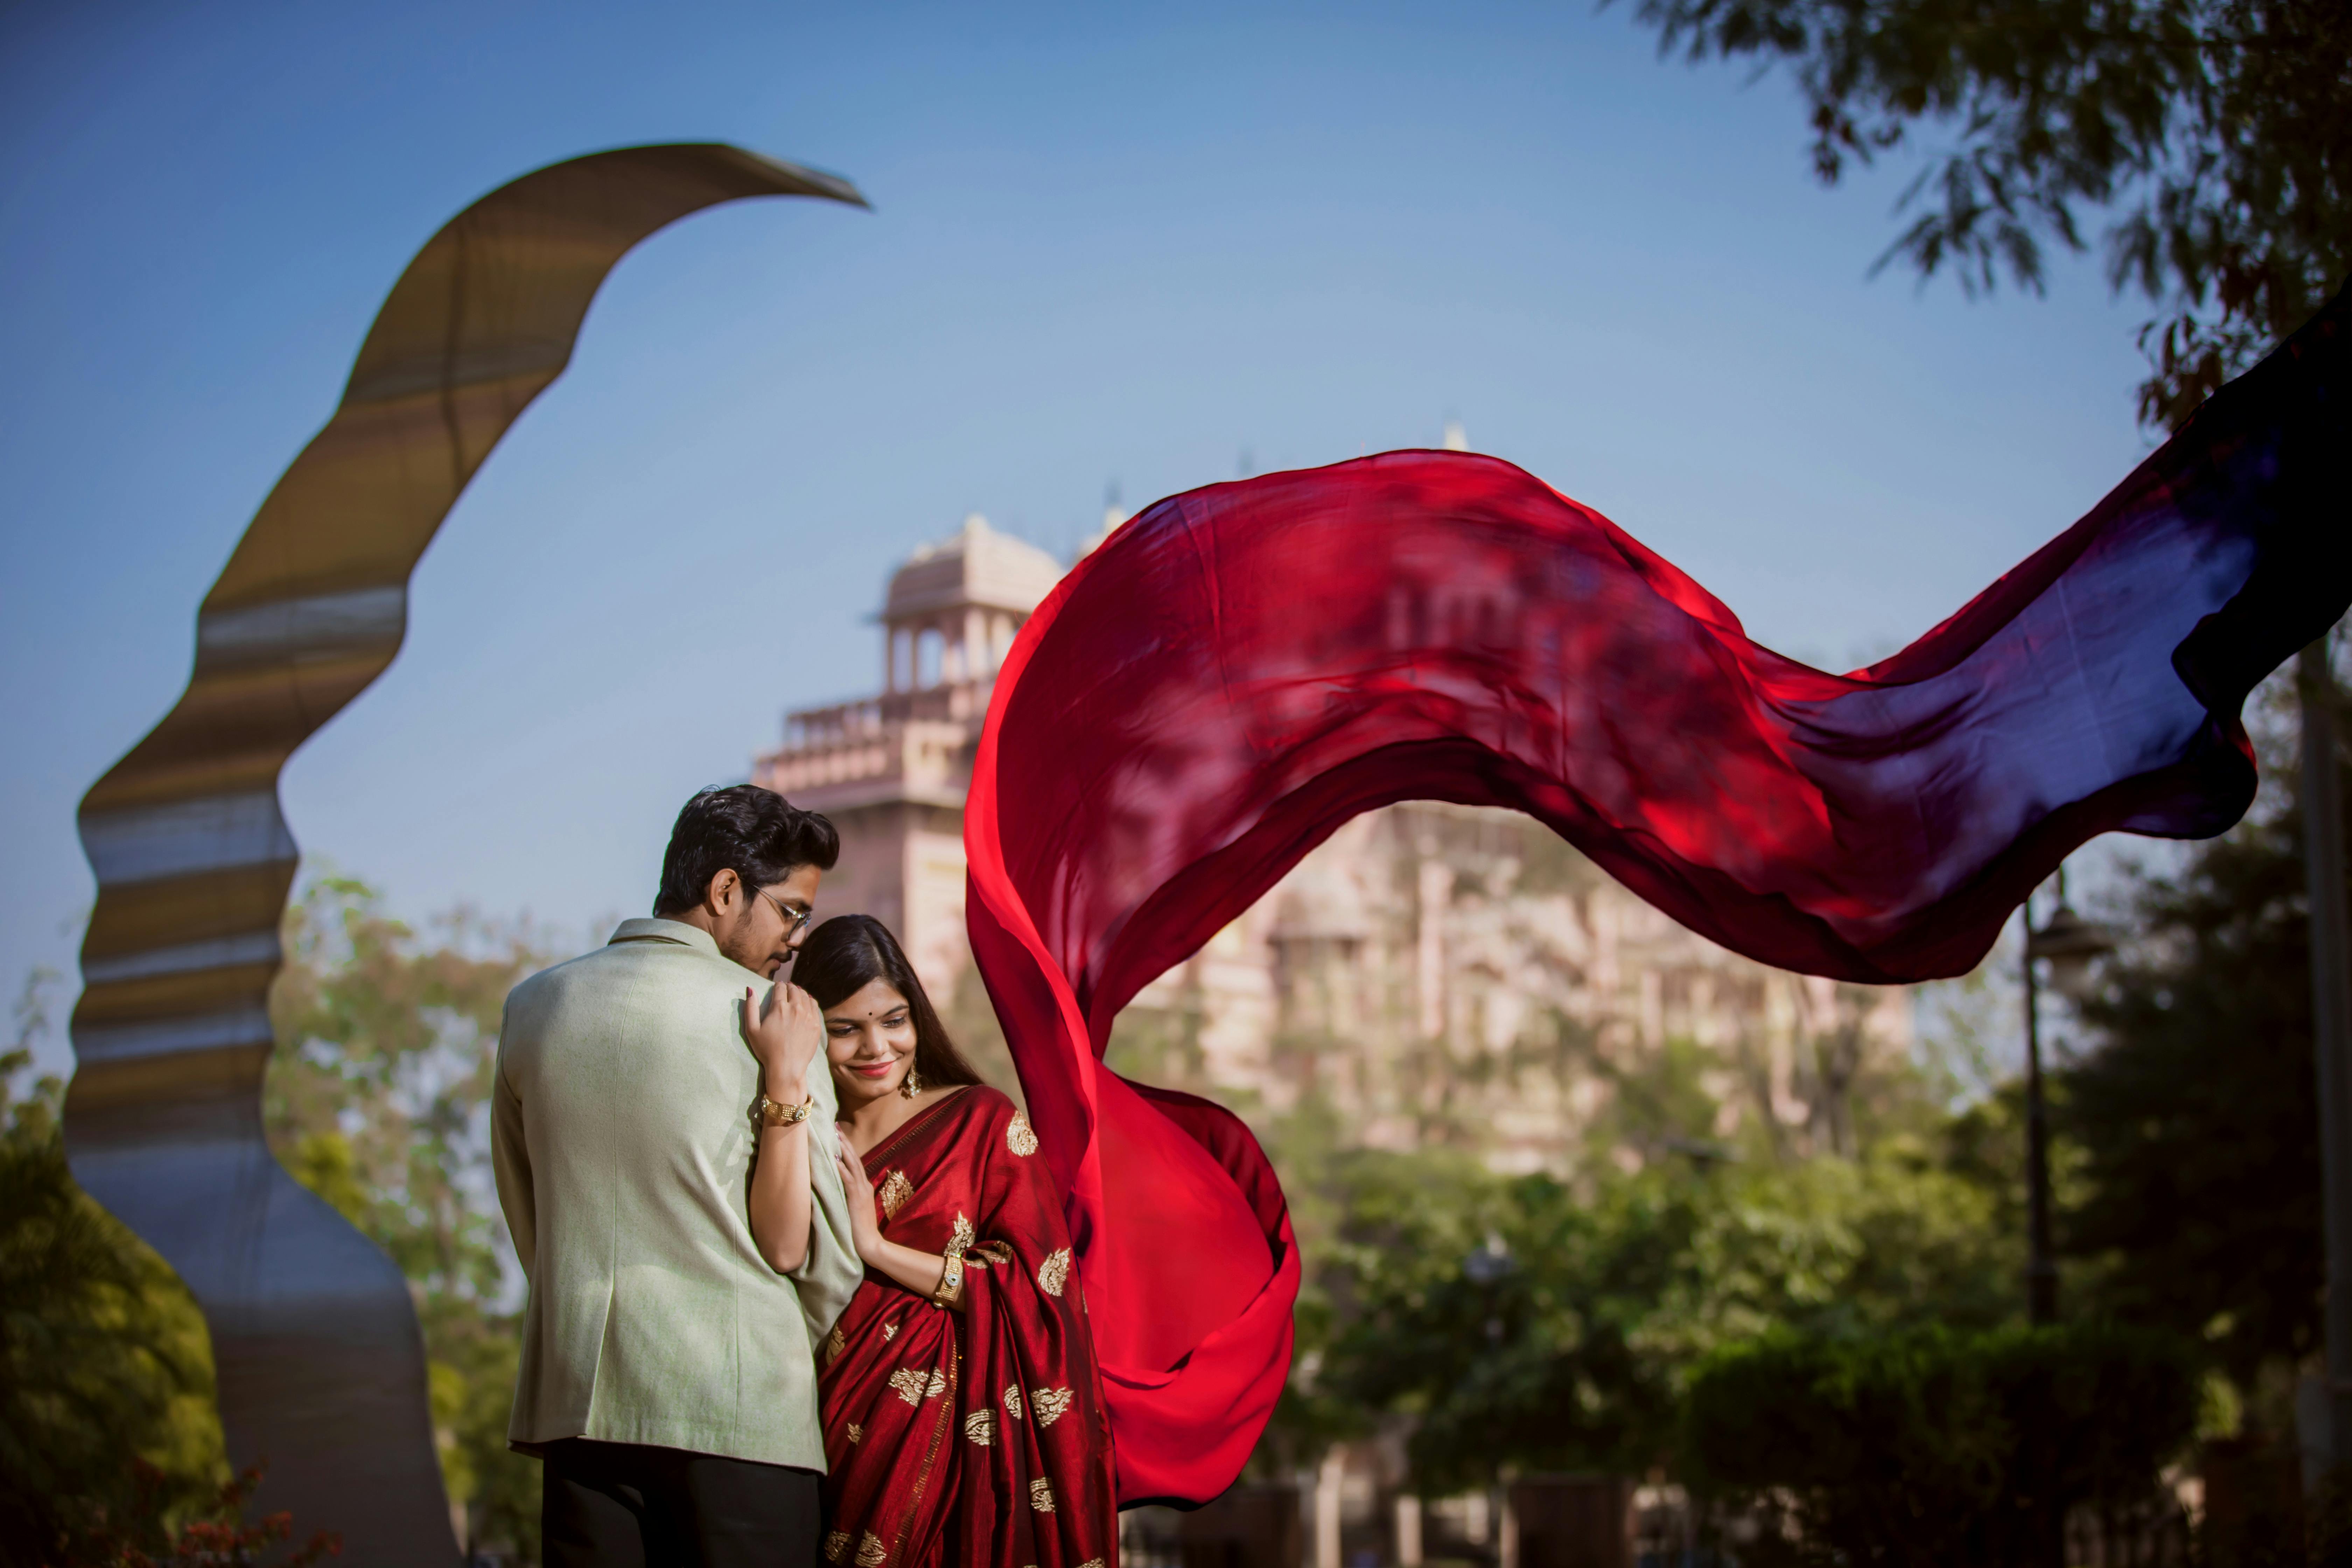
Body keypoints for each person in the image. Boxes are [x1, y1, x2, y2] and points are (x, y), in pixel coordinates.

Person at [492, 785, 865, 1567]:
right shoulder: (775, 1017)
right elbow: (824, 1258)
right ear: (726, 890)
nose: (796, 939)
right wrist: (769, 1350)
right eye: (792, 911)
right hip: (743, 1413)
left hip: (580, 1409)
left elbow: (528, 1214)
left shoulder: (533, 1007)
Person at [787, 915, 1116, 1568]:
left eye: (894, 1020)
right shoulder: (798, 1133)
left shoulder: (979, 1121)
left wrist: (877, 1249)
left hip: (956, 1439)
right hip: (819, 1421)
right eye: (846, 1030)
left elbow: (1037, 1287)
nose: (877, 1048)